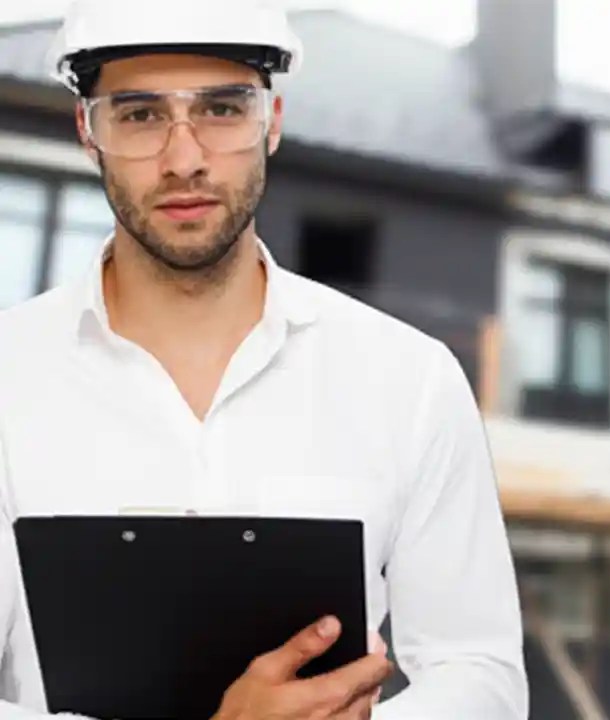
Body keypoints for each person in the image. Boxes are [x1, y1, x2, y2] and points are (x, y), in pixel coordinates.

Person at [0, 0, 528, 717]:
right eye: (140, 115)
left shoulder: (409, 380)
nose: (183, 158)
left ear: (272, 122)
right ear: (88, 134)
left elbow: (481, 674)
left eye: (221, 110)